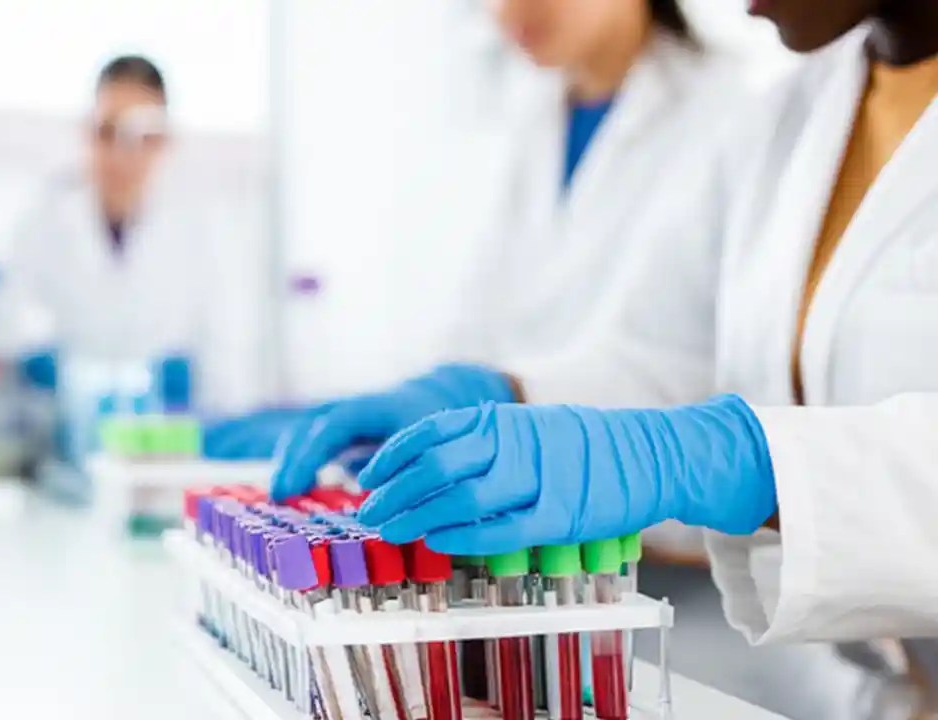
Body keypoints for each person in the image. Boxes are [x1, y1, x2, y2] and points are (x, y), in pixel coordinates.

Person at [356, 0, 938, 715]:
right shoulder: (795, 111)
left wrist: (741, 458)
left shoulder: (736, 103)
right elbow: (678, 354)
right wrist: (501, 394)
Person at [226, 0, 742, 500]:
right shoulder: (530, 117)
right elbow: (479, 328)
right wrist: (411, 407)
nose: (510, 9)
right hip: (525, 540)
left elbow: (689, 370)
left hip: (676, 556)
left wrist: (497, 396)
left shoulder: (736, 109)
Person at [8, 55, 266, 412]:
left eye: (140, 137)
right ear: (87, 132)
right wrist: (49, 367)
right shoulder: (43, 218)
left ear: (164, 141)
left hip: (167, 445)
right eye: (108, 131)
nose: (120, 154)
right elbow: (15, 321)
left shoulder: (202, 228)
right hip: (64, 431)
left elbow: (227, 357)